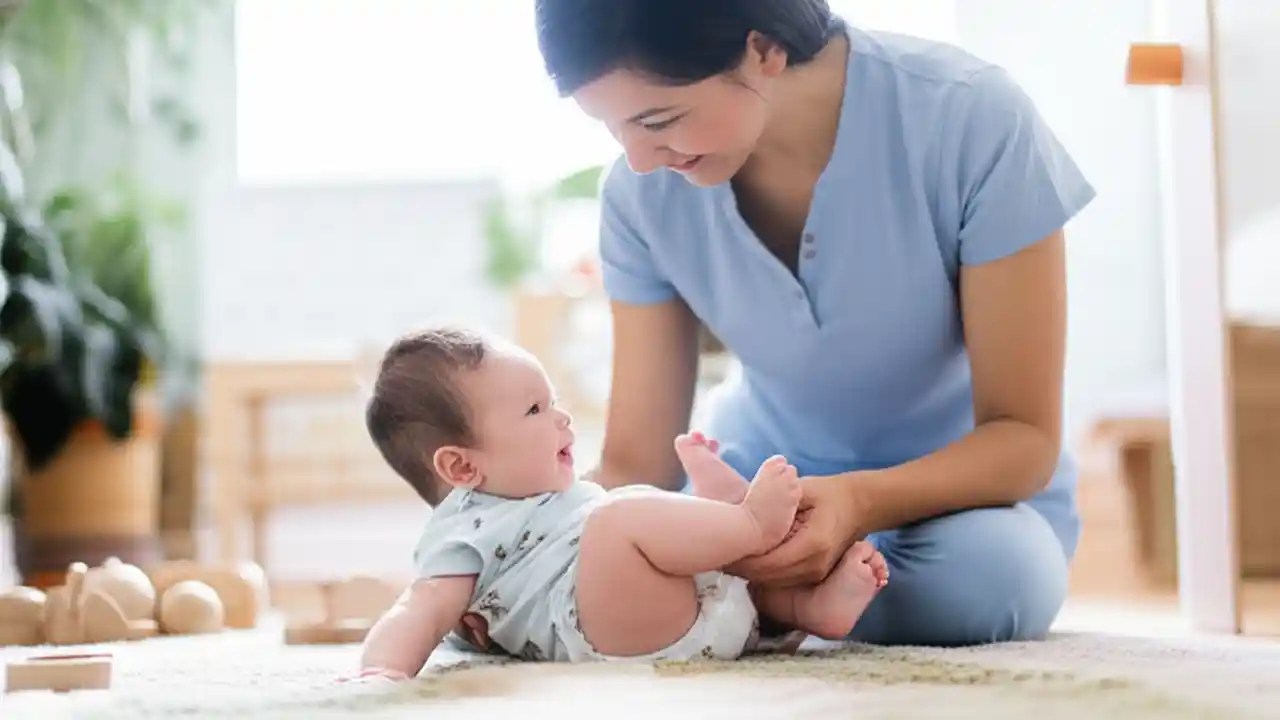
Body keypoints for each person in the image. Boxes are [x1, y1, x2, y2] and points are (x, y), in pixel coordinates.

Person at [493, 0, 1096, 648]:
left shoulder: (972, 118)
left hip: (964, 505)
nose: (639, 161)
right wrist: (522, 553)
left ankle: (739, 607)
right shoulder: (640, 199)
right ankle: (776, 600)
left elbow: (1023, 438)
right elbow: (638, 462)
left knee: (991, 585)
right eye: (614, 130)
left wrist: (856, 504)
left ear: (763, 49)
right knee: (623, 560)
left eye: (658, 119)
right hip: (755, 493)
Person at [353, 328, 888, 680]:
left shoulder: (555, 500)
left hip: (670, 611)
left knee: (658, 526)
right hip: (601, 635)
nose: (561, 419)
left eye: (555, 401)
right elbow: (417, 609)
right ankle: (749, 520)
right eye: (535, 410)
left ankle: (805, 609)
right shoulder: (461, 533)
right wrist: (382, 672)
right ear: (462, 469)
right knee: (621, 518)